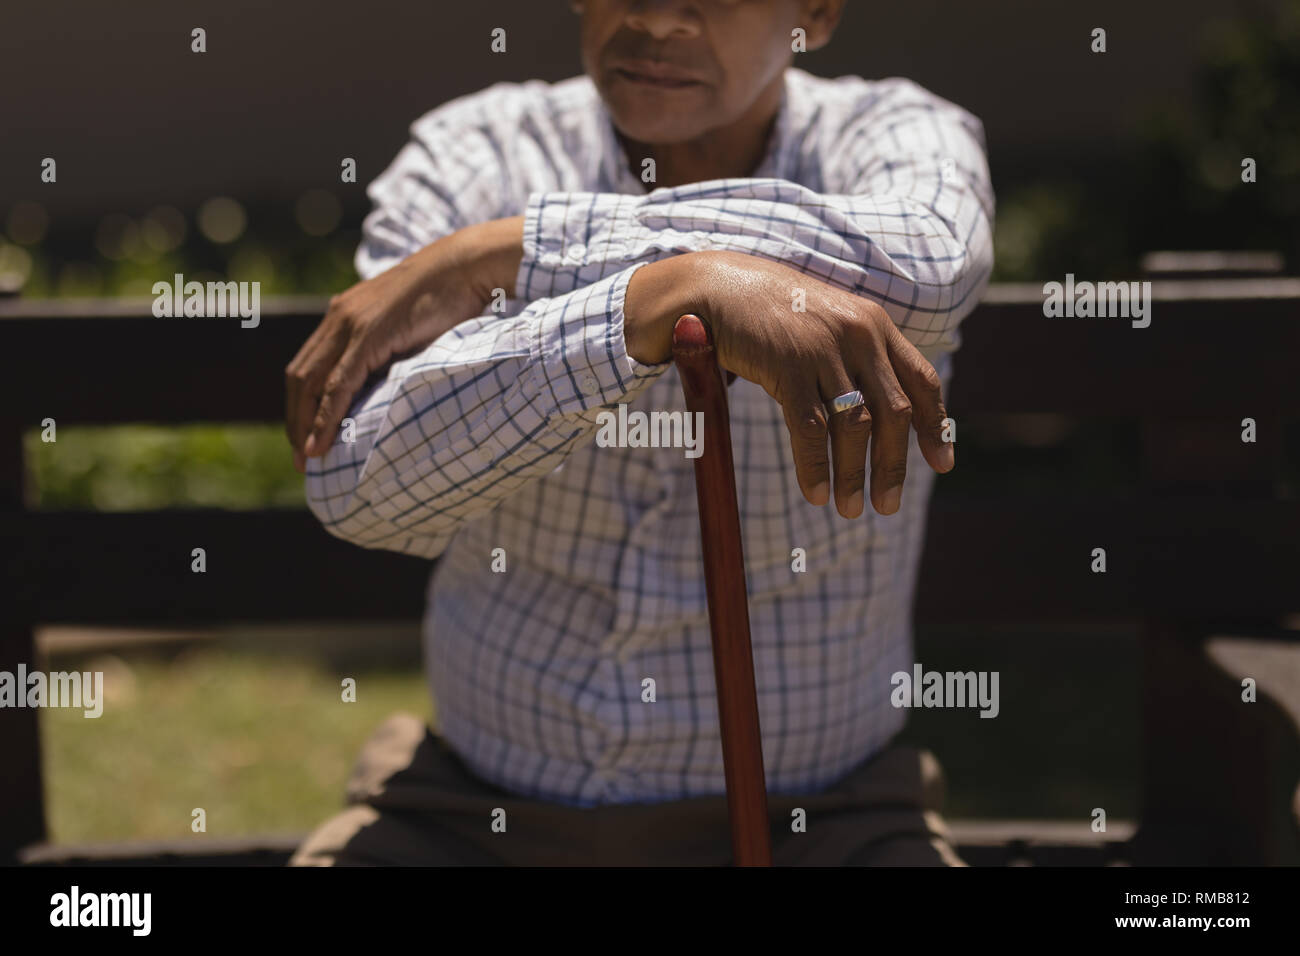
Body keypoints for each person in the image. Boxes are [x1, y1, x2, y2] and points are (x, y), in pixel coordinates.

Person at [284, 0, 993, 866]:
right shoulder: (478, 150)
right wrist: (652, 301)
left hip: (819, 824)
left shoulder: (894, 131)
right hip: (475, 816)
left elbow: (924, 271)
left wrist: (509, 254)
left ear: (817, 11)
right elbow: (356, 484)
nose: (657, 17)